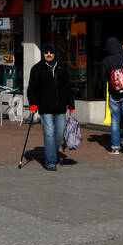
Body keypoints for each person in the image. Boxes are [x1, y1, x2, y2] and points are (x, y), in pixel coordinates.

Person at [26, 43, 74, 171]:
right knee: (49, 134)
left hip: (60, 107)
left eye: (51, 52)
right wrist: (33, 104)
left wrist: (71, 104)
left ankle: (53, 153)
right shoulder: (37, 69)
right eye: (46, 52)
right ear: (43, 54)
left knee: (58, 134)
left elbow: (68, 86)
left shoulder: (61, 67)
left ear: (54, 54)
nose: (48, 54)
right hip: (45, 107)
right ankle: (50, 161)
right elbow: (31, 89)